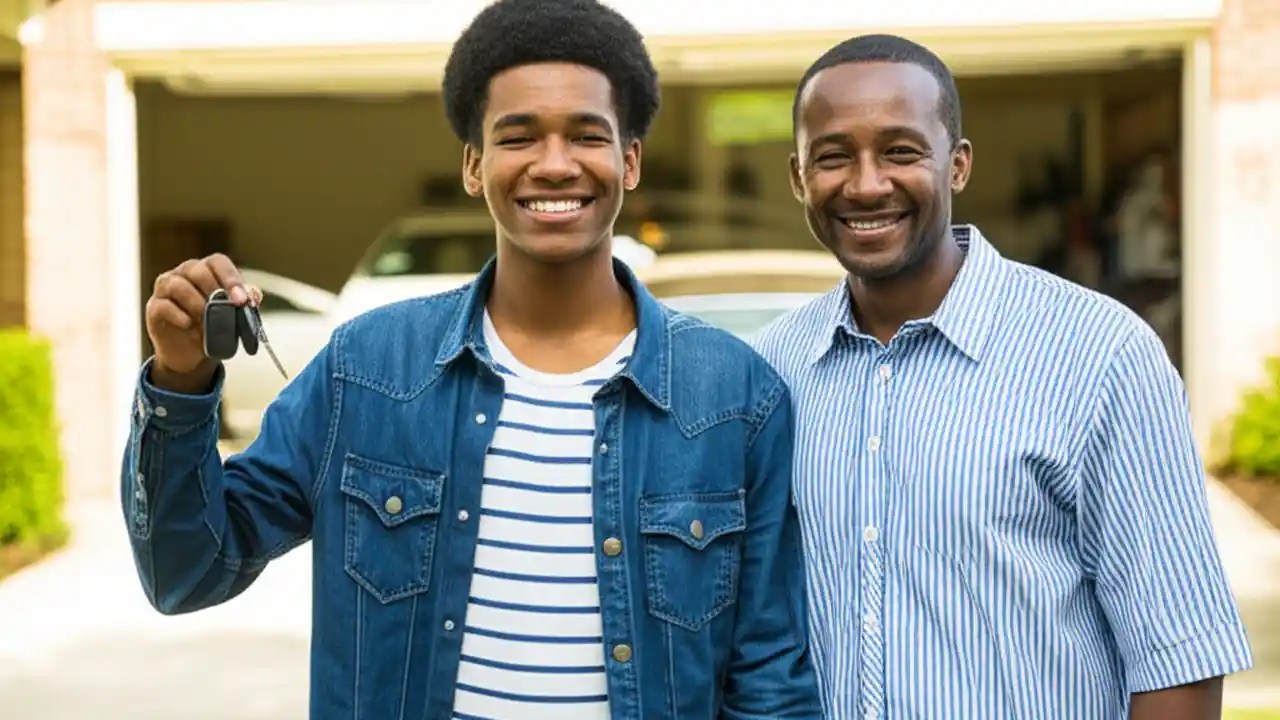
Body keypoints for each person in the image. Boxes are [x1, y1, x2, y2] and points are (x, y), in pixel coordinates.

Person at [120, 1, 821, 718]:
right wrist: (181, 381)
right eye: (519, 137)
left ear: (629, 160)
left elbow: (766, 674)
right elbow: (187, 572)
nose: (554, 165)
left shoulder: (733, 395)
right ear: (474, 164)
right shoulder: (367, 369)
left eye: (586, 135)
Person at [753, 33, 1253, 720]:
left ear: (956, 165)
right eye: (834, 157)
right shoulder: (774, 369)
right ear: (798, 177)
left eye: (900, 151)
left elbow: (1180, 659)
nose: (867, 184)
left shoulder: (1099, 355)